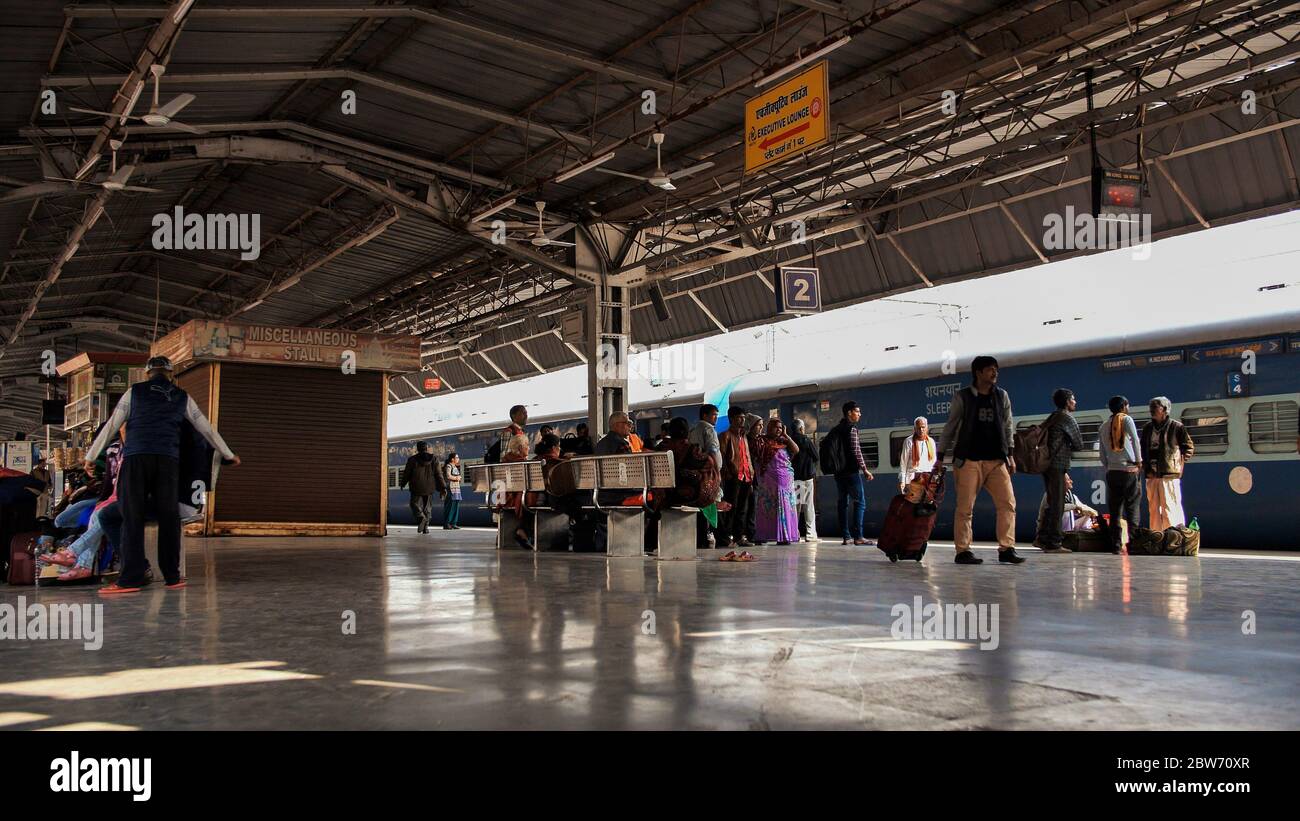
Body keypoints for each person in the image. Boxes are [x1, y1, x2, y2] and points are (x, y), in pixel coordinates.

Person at [83, 355, 239, 594]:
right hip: (167, 460)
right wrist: (228, 454)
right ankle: (172, 577)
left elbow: (112, 425)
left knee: (131, 516)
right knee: (169, 516)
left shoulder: (133, 393)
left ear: (147, 373)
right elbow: (205, 428)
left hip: (136, 459)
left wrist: (91, 457)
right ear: (170, 374)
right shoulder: (181, 396)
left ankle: (131, 579)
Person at [936, 356, 1025, 565]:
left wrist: (1010, 454)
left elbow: (1008, 426)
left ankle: (1007, 548)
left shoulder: (1002, 396)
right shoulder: (963, 397)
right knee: (965, 508)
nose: (995, 373)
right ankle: (963, 551)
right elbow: (951, 426)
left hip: (996, 460)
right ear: (978, 373)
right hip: (969, 461)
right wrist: (940, 456)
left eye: (996, 369)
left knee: (1008, 504)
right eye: (990, 370)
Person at [1033, 388, 1084, 554]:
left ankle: (1042, 538)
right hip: (1058, 465)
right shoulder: (1067, 418)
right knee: (1058, 504)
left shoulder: (1053, 417)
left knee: (1051, 501)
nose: (1075, 402)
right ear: (1068, 401)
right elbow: (1079, 444)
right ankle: (1054, 543)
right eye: (1073, 399)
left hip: (1046, 465)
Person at [1141, 396, 1194, 531]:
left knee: (1170, 504)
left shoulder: (1177, 427)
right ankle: (1156, 534)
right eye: (1151, 407)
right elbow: (1142, 447)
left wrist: (1177, 462)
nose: (1151, 410)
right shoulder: (1147, 427)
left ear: (1164, 409)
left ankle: (1172, 534)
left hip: (1169, 473)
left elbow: (1188, 447)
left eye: (1155, 407)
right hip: (1151, 473)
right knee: (1153, 506)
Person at [828, 401, 875, 546]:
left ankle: (846, 536)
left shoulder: (835, 429)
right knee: (860, 502)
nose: (860, 414)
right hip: (851, 472)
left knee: (843, 503)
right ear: (849, 413)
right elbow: (856, 451)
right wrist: (865, 469)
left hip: (839, 472)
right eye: (857, 411)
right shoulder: (852, 429)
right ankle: (859, 536)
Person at [1100, 395, 1142, 553]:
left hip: (1112, 472)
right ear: (1124, 406)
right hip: (1129, 471)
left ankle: (1116, 546)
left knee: (1115, 510)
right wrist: (1139, 461)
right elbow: (1135, 440)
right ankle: (1133, 544)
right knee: (1132, 507)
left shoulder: (1104, 426)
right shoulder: (1126, 420)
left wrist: (1110, 465)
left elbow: (1102, 454)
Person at [752, 419, 800, 546]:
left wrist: (786, 435)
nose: (778, 430)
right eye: (775, 427)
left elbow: (796, 450)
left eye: (780, 427)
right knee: (767, 506)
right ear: (769, 428)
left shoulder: (783, 441)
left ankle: (784, 536)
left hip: (786, 478)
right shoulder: (762, 440)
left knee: (784, 505)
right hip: (769, 479)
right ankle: (763, 535)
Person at [717, 407, 754, 549]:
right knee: (730, 507)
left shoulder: (744, 436)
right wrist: (727, 473)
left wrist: (751, 474)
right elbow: (722, 456)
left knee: (742, 508)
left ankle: (739, 536)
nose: (742, 420)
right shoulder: (725, 435)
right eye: (739, 417)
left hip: (746, 475)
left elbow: (747, 456)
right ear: (731, 419)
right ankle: (727, 537)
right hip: (734, 476)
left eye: (743, 417)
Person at [400, 441, 442, 534]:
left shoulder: (412, 459)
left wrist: (403, 483)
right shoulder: (434, 459)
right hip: (430, 487)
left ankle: (420, 517)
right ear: (427, 448)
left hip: (416, 486)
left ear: (417, 449)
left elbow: (407, 473)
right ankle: (426, 528)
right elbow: (439, 475)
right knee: (428, 508)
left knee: (414, 504)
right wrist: (443, 487)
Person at [788, 418, 818, 543]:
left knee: (796, 507)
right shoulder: (806, 440)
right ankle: (810, 535)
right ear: (801, 428)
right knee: (808, 506)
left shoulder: (789, 441)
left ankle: (794, 533)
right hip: (807, 478)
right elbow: (816, 456)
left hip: (794, 479)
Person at [897, 416, 937, 492]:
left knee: (929, 502)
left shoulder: (931, 442)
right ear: (915, 429)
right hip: (913, 479)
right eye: (918, 428)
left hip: (928, 479)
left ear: (927, 428)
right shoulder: (908, 441)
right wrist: (902, 481)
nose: (921, 430)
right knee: (914, 502)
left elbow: (933, 462)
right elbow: (903, 463)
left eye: (923, 427)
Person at [442, 452, 462, 530]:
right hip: (450, 489)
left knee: (456, 506)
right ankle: (447, 523)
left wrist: (459, 478)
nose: (458, 459)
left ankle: (453, 523)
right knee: (449, 506)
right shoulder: (449, 466)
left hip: (457, 489)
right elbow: (448, 476)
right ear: (452, 459)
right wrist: (457, 478)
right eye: (457, 458)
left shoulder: (455, 467)